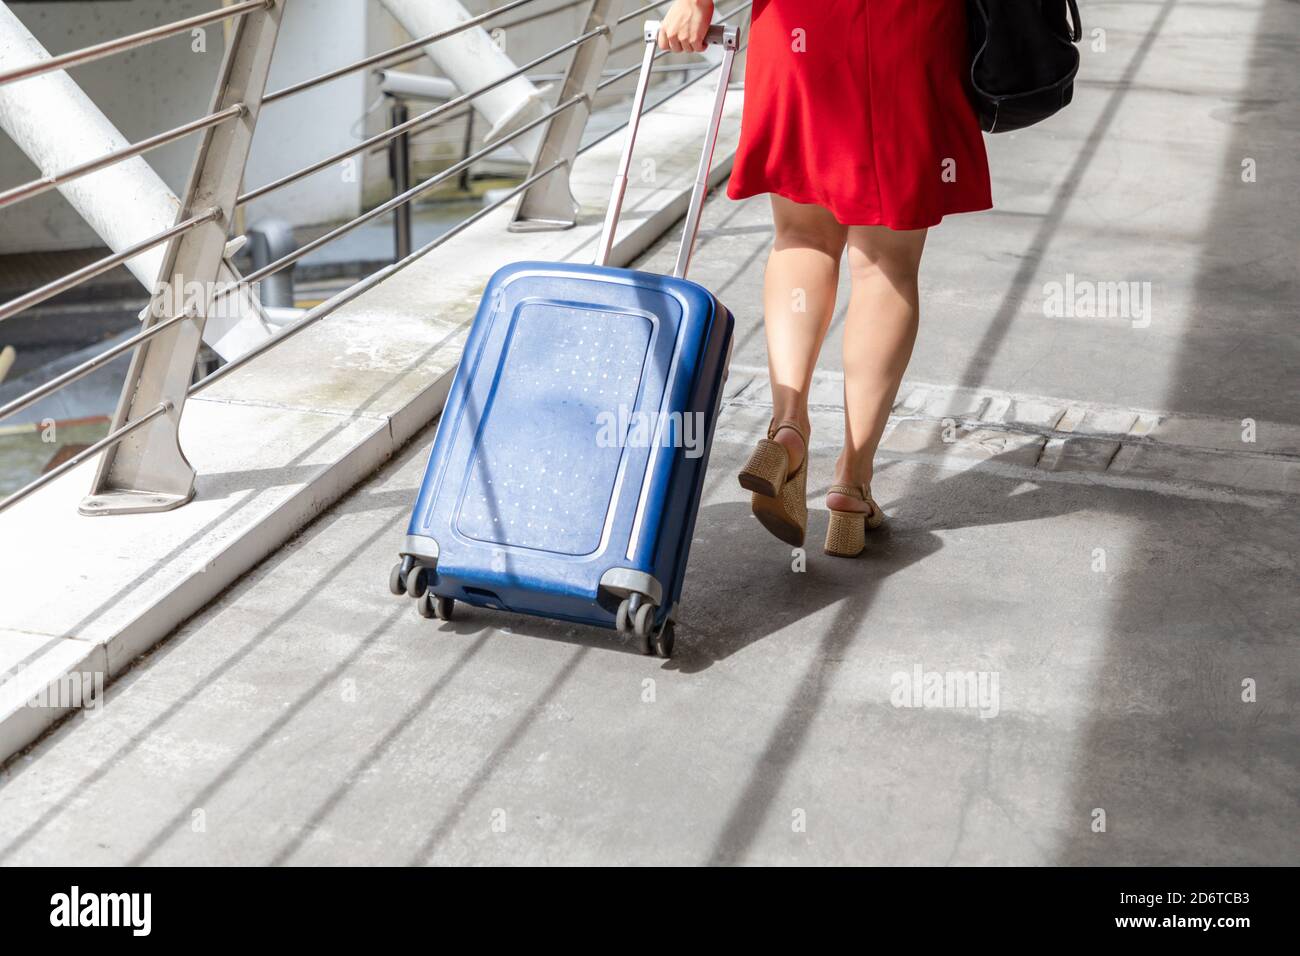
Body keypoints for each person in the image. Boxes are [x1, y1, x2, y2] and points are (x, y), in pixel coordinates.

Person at [658, 0, 991, 556]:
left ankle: (787, 430)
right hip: (906, 27)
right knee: (886, 262)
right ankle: (851, 485)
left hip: (800, 27)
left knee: (801, 236)